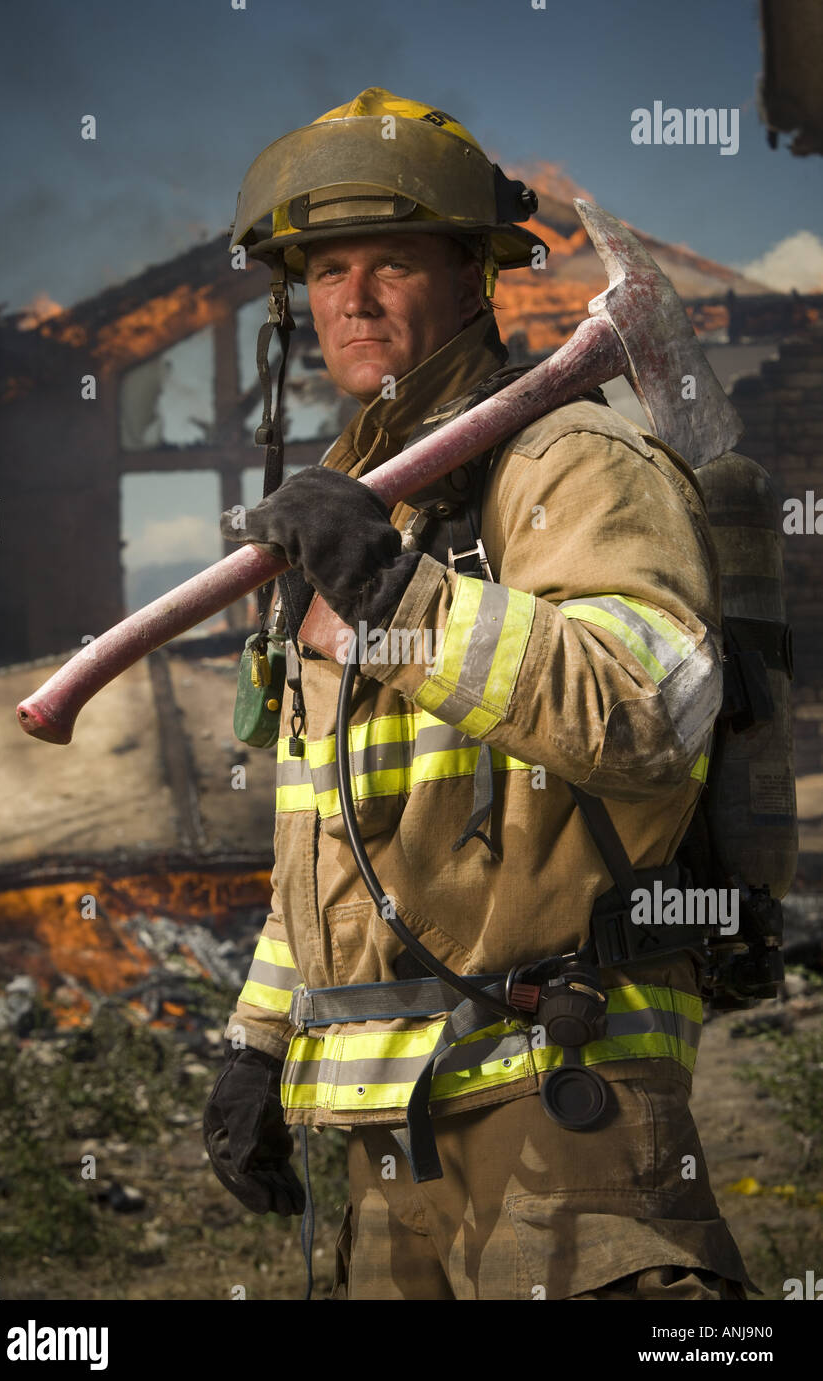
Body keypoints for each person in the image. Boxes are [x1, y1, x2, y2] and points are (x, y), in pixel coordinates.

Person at [203, 87, 757, 1301]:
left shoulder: (567, 460)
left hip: (559, 1087)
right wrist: (256, 1040)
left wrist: (399, 598)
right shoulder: (357, 514)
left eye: (391, 263)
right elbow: (327, 826)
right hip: (385, 1128)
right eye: (327, 270)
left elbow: (647, 710)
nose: (353, 298)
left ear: (471, 277)